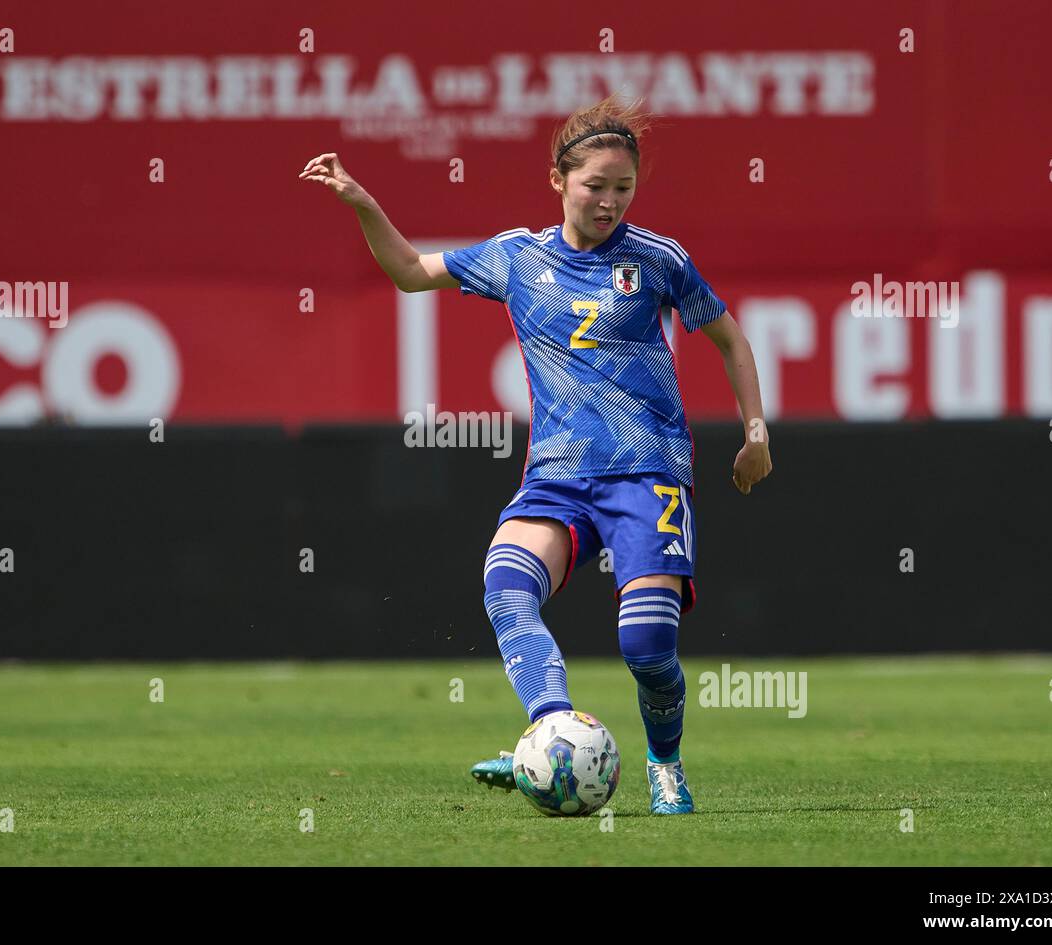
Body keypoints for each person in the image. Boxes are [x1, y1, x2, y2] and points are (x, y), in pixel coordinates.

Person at [299, 93, 772, 815]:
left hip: (648, 474)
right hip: (558, 478)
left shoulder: (658, 260)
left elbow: (731, 340)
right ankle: (551, 734)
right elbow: (407, 271)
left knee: (646, 648)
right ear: (558, 180)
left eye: (624, 188)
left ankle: (665, 764)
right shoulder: (516, 258)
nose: (610, 201)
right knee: (505, 585)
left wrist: (756, 433)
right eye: (595, 186)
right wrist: (361, 201)